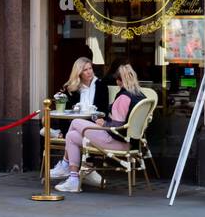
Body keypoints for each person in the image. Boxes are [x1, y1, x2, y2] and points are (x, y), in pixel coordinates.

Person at [53, 64, 147, 193]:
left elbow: (117, 127)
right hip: (130, 142)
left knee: (75, 122)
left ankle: (65, 165)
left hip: (117, 142)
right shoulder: (140, 96)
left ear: (119, 80)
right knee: (71, 136)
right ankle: (73, 179)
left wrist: (103, 124)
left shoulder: (124, 97)